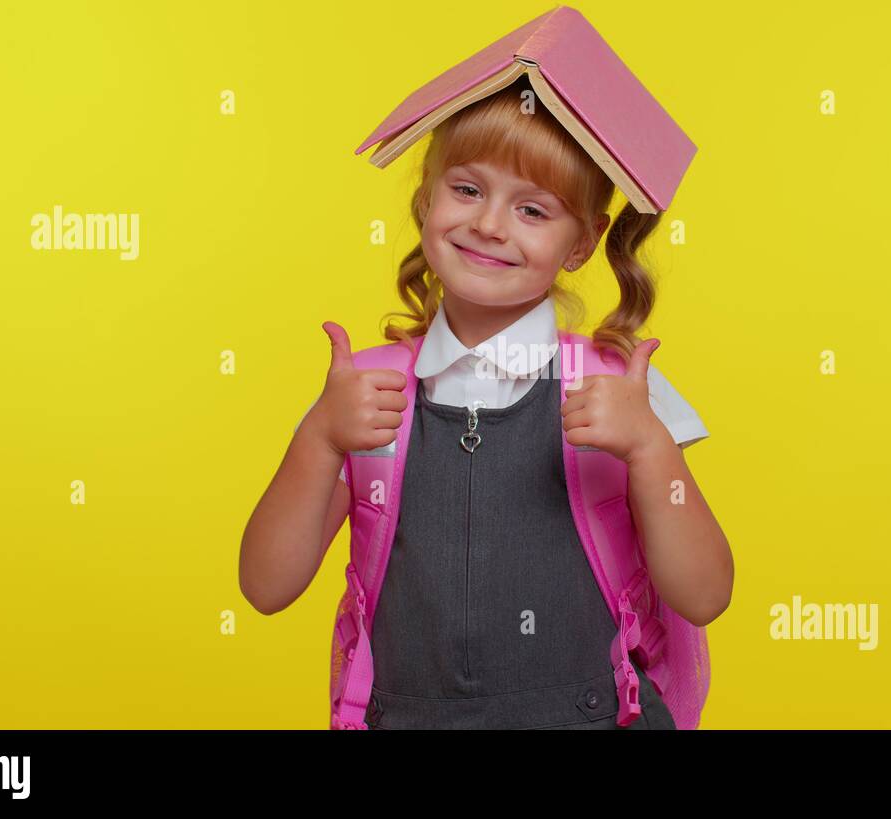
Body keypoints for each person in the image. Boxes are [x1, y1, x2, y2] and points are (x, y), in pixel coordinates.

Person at [240, 76, 733, 729]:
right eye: (467, 189)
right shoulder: (366, 393)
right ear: (425, 200)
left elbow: (703, 594)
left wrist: (651, 447)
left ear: (583, 240)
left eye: (533, 210)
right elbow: (266, 587)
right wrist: (320, 438)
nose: (489, 224)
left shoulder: (622, 390)